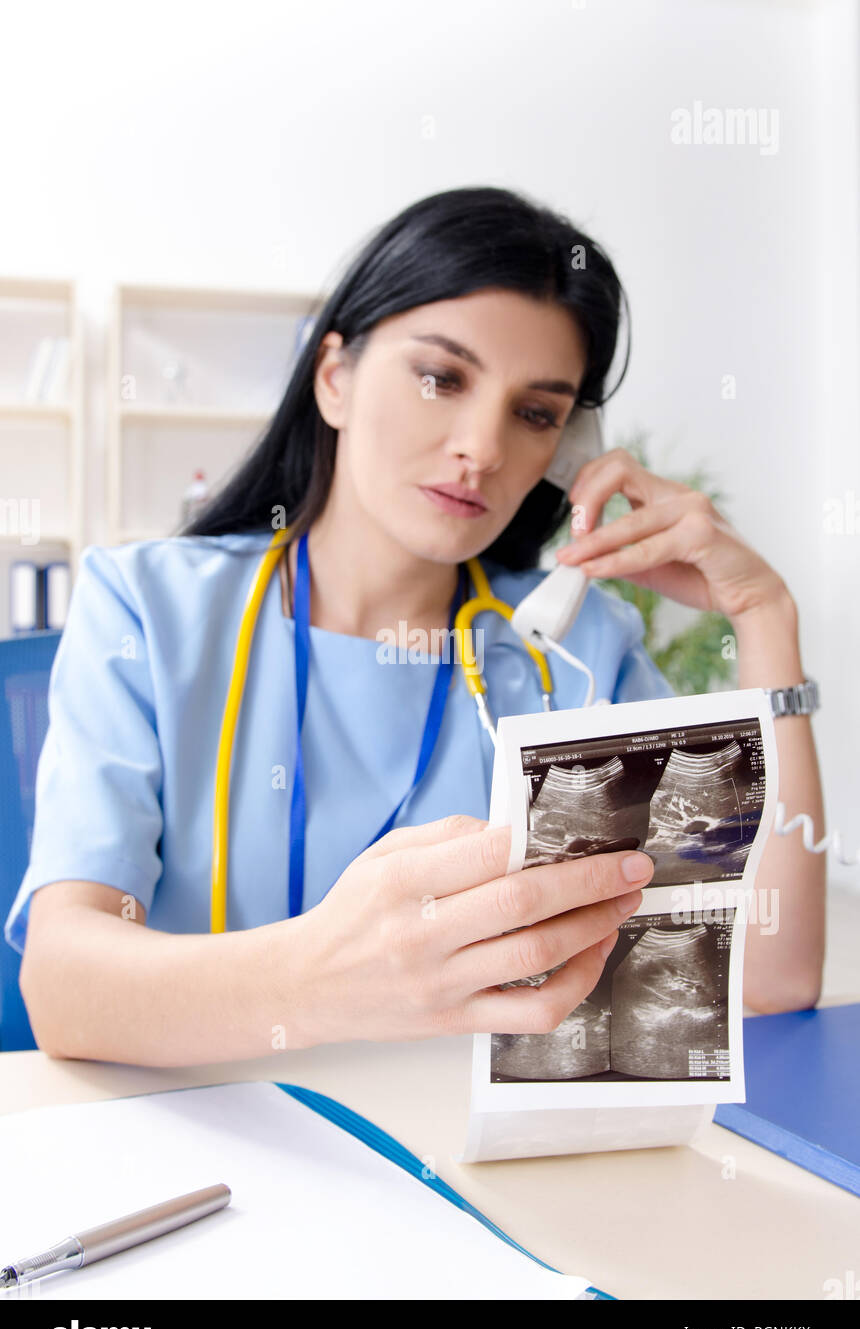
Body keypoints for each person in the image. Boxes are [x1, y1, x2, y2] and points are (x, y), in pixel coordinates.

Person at [6, 186, 825, 1067]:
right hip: (212, 1149)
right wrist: (327, 981)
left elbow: (766, 977)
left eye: (536, 413)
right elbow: (63, 986)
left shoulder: (576, 653)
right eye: (441, 377)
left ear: (567, 447)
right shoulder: (148, 607)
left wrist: (763, 616)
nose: (483, 446)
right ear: (335, 379)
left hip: (462, 1169)